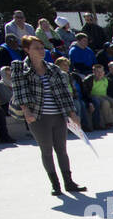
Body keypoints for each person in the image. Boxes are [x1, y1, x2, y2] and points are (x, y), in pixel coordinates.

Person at [10, 36, 86, 196]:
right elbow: (20, 90)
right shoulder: (19, 68)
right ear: (27, 50)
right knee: (46, 150)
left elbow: (65, 93)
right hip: (38, 116)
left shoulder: (53, 69)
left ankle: (69, 182)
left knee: (62, 150)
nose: (41, 50)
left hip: (58, 114)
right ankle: (55, 184)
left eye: (42, 47)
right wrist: (26, 110)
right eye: (36, 48)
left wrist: (72, 114)